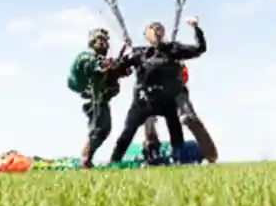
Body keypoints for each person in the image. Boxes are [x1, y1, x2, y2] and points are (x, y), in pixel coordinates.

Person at [107, 17, 206, 165]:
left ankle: (179, 158)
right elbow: (118, 68)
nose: (156, 34)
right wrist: (118, 60)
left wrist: (196, 28)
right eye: (152, 31)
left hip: (166, 99)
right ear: (147, 36)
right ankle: (114, 161)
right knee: (128, 130)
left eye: (159, 30)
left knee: (175, 128)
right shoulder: (139, 53)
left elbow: (200, 49)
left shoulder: (174, 50)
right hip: (143, 101)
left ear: (163, 33)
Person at [67, 27, 129, 168]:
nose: (101, 43)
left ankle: (86, 159)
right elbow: (97, 67)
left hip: (100, 98)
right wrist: (111, 67)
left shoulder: (101, 59)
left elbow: (109, 75)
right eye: (98, 40)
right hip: (92, 98)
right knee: (99, 129)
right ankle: (85, 160)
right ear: (92, 42)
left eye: (104, 40)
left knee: (103, 129)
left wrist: (119, 69)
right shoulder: (87, 57)